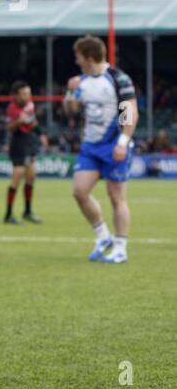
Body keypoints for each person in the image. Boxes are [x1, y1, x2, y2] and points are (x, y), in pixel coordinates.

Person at [63, 35, 138, 264]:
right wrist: (69, 92)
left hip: (114, 145)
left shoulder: (118, 78)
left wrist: (123, 142)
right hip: (90, 146)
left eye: (78, 57)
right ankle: (103, 236)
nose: (77, 62)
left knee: (116, 197)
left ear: (88, 57)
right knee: (79, 191)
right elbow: (71, 112)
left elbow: (130, 111)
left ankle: (120, 248)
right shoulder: (81, 82)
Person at [3, 81, 43, 224]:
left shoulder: (30, 105)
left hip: (29, 141)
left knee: (31, 176)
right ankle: (8, 214)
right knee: (18, 176)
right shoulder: (12, 109)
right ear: (16, 96)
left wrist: (41, 134)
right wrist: (19, 121)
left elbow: (33, 122)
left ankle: (27, 212)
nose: (28, 96)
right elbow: (9, 128)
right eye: (24, 94)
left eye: (29, 93)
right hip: (18, 143)